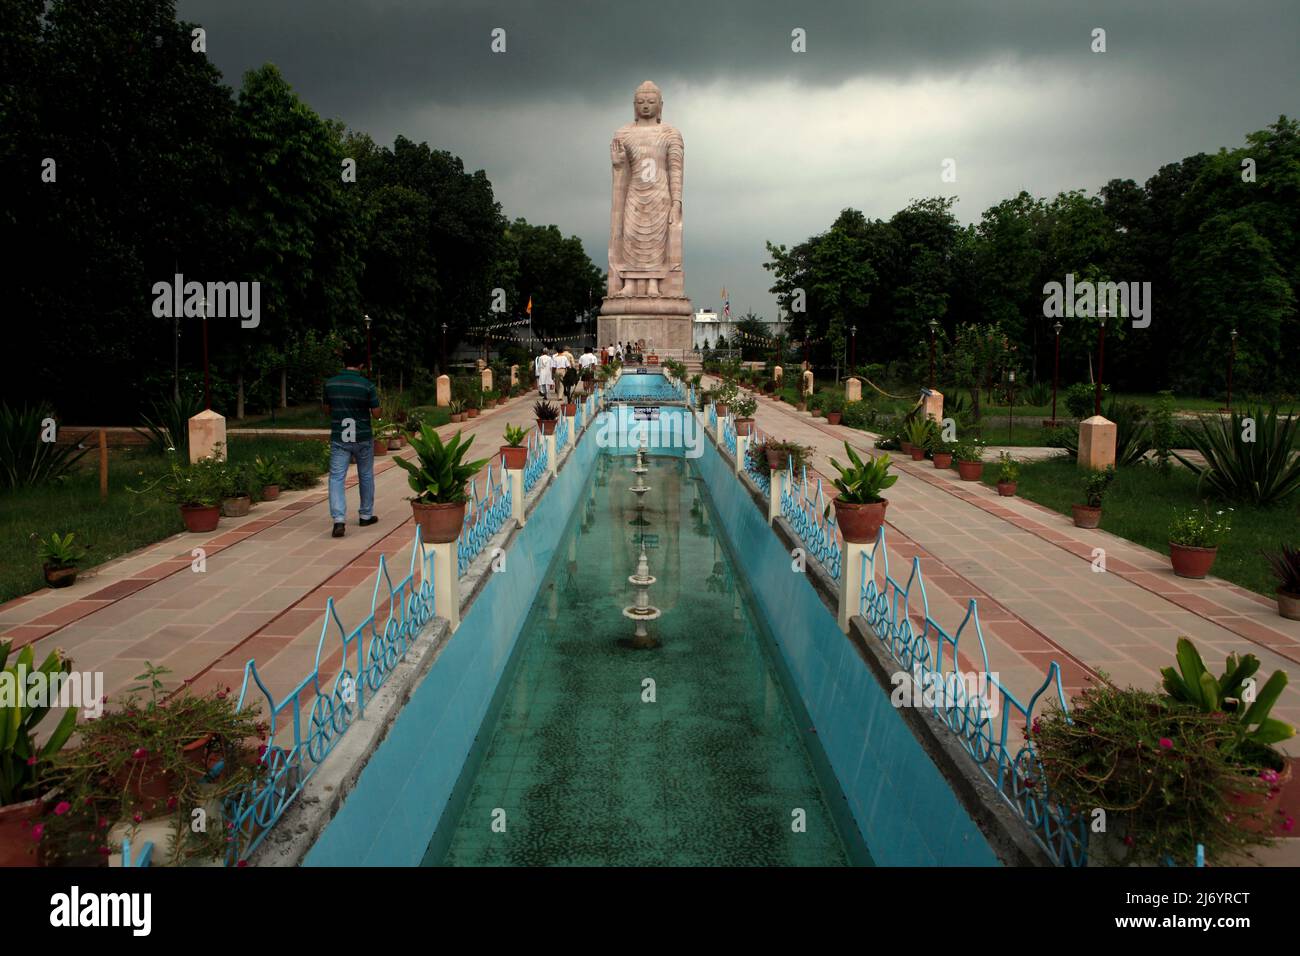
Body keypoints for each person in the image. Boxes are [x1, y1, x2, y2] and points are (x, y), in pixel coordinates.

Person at [322, 344, 381, 538]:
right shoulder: (367, 385)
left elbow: (327, 410)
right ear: (362, 365)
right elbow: (376, 412)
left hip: (340, 437)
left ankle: (339, 519)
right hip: (363, 437)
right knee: (365, 475)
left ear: (344, 363)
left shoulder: (330, 384)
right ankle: (366, 514)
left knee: (337, 478)